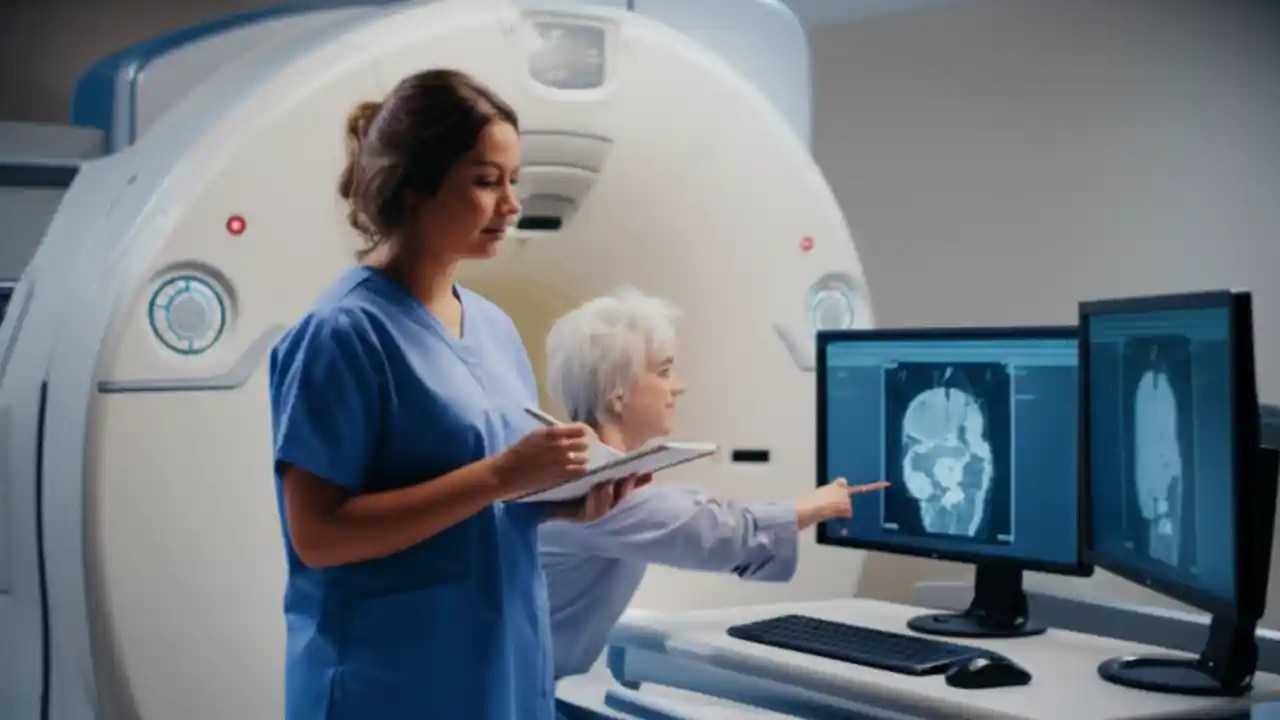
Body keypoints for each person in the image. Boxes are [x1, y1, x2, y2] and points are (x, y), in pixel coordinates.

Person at [268, 69, 640, 720]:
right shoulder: (341, 335)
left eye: (513, 182)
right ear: (412, 184)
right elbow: (319, 535)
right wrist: (502, 475)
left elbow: (489, 507)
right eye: (486, 181)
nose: (511, 206)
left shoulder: (492, 326)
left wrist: (562, 504)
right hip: (389, 680)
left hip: (501, 661)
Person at [537, 286, 889, 679]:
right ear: (616, 395)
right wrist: (822, 503)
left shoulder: (588, 472)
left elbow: (671, 507)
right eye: (665, 371)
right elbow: (713, 533)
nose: (678, 386)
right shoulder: (594, 489)